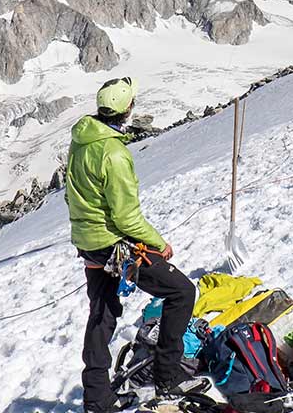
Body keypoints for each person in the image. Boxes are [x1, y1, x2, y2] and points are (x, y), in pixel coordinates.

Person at [66, 77, 198, 412]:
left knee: (103, 313)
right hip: (114, 245)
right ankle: (168, 378)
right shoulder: (113, 153)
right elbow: (127, 218)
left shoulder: (81, 140)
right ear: (127, 109)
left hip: (89, 241)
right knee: (181, 292)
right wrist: (159, 243)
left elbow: (72, 194)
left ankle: (97, 397)